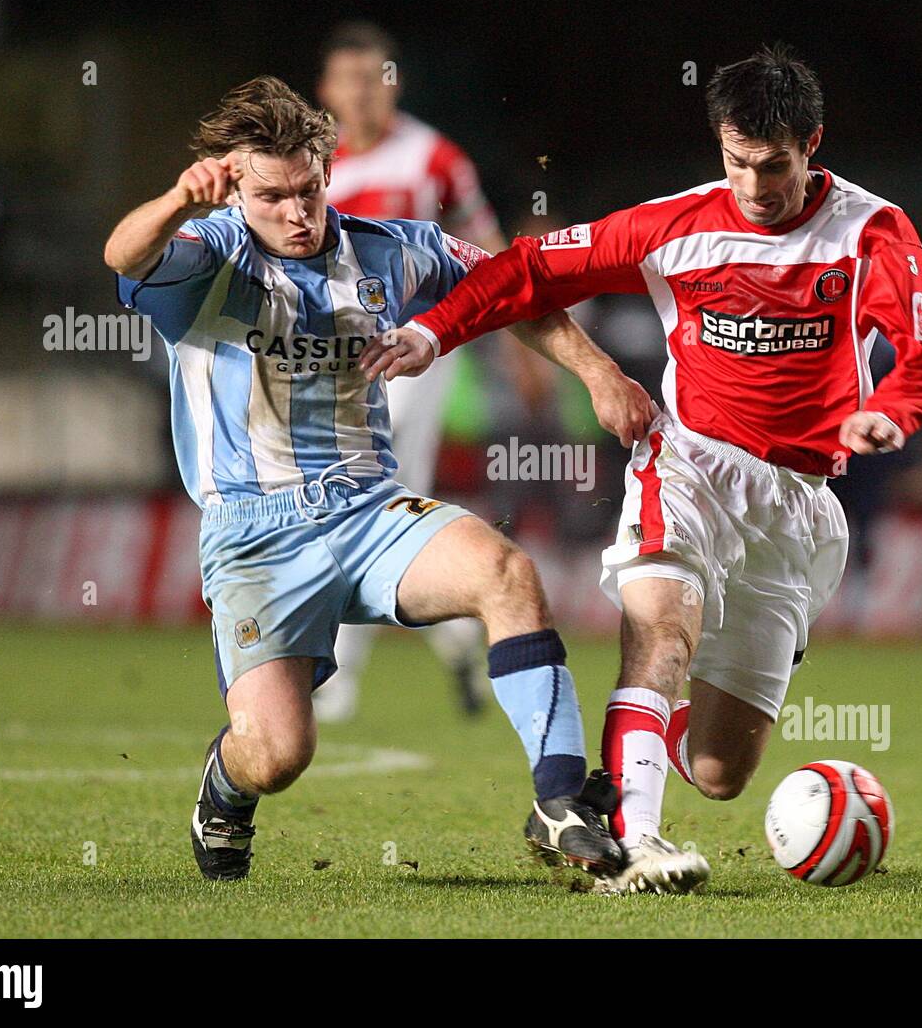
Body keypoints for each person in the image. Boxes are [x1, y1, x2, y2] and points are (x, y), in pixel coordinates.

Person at [362, 45, 922, 894]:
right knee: (661, 631)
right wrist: (431, 333)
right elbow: (530, 268)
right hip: (691, 467)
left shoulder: (871, 231)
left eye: (775, 165)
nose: (755, 186)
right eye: (738, 162)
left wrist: (888, 413)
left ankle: (631, 761)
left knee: (719, 768)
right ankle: (635, 838)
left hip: (797, 505)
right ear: (721, 144)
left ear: (813, 143)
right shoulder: (678, 226)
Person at [103, 76, 655, 882]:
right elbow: (122, 255)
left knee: (505, 572)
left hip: (369, 510)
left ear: (328, 173)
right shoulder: (209, 256)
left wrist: (598, 373)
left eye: (308, 190)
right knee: (279, 753)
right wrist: (176, 201)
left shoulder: (392, 249)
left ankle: (560, 799)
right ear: (233, 185)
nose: (296, 212)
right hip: (255, 534)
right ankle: (225, 790)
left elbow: (513, 287)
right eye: (272, 196)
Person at [314, 21, 545, 722]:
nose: (361, 94)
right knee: (381, 507)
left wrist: (522, 347)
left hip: (416, 354)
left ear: (393, 84)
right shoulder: (314, 167)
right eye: (347, 80)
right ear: (325, 91)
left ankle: (338, 681)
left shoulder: (433, 157)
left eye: (372, 78)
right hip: (331, 364)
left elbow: (491, 252)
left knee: (367, 498)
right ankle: (463, 642)